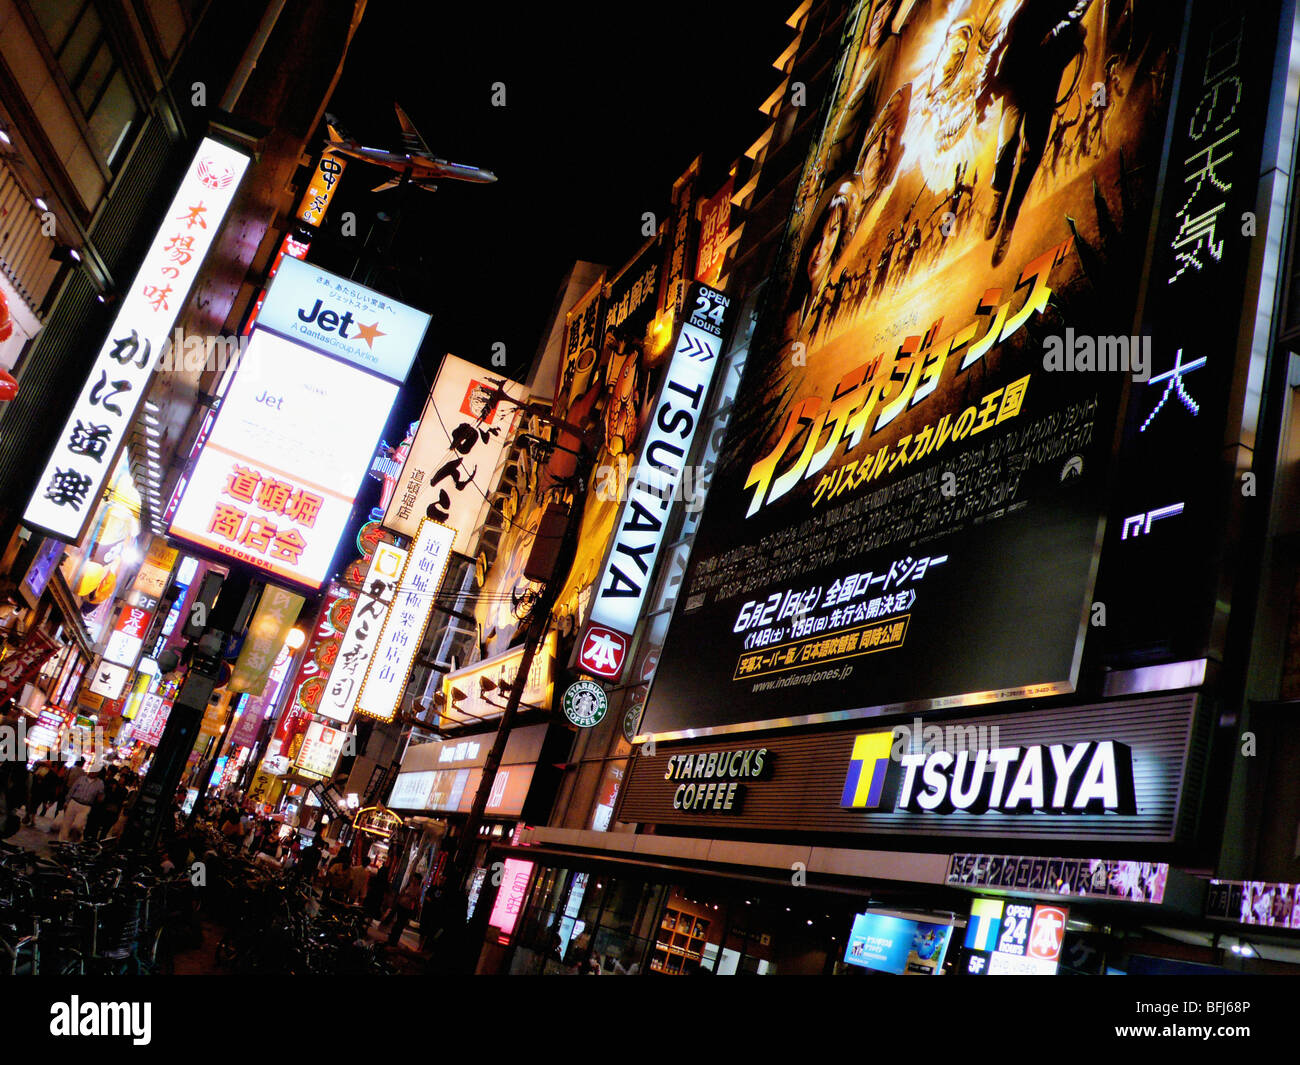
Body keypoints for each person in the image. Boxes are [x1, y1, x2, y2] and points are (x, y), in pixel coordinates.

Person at [60, 764, 105, 842]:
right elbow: (72, 790)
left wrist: (100, 798)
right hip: (74, 802)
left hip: (86, 806)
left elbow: (100, 795)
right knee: (66, 824)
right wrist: (67, 801)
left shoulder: (100, 783)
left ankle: (73, 840)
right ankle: (62, 841)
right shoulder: (81, 779)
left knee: (77, 825)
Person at [386, 874, 423, 948]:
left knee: (401, 924)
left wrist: (415, 901)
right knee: (397, 923)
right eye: (414, 878)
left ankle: (395, 940)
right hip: (400, 905)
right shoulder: (408, 885)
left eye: (416, 879)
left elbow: (417, 901)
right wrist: (397, 901)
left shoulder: (419, 890)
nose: (414, 880)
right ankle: (391, 938)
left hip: (408, 908)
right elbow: (401, 894)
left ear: (419, 880)